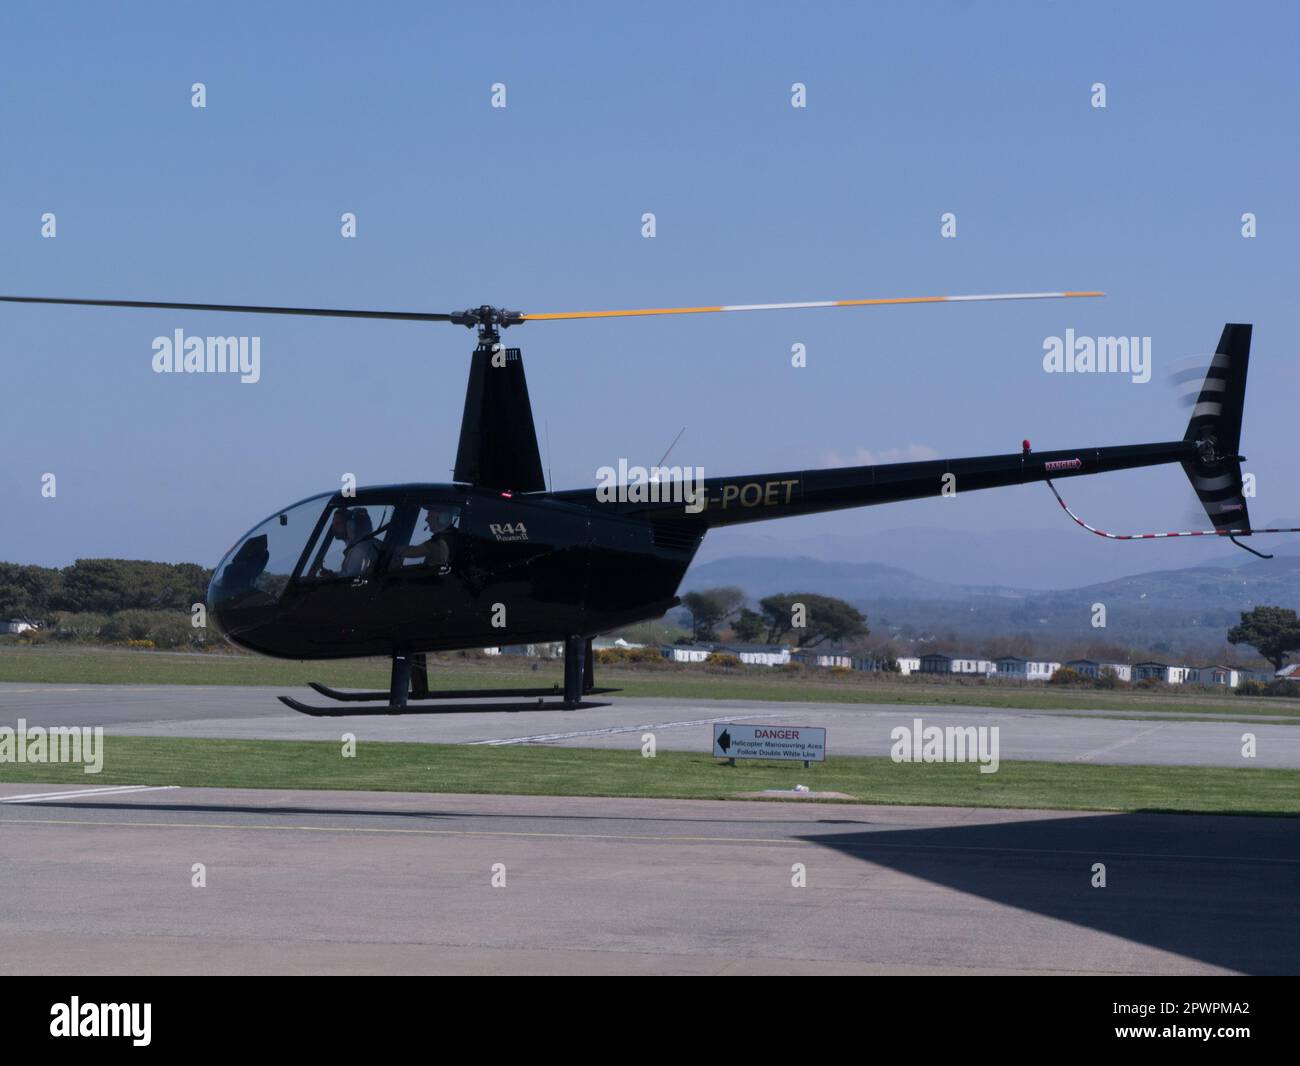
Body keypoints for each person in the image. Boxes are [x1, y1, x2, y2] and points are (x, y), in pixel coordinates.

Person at [397, 505, 456, 571]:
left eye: (429, 516)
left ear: (443, 518)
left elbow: (410, 552)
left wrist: (390, 549)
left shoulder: (439, 543)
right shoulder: (452, 537)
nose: (426, 519)